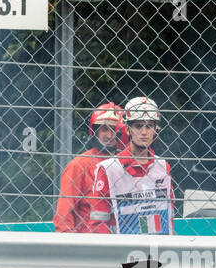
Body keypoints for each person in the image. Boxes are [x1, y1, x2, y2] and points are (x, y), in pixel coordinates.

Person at [87, 96, 174, 235]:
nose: (144, 132)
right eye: (138, 126)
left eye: (149, 126)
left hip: (159, 250)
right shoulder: (108, 169)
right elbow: (98, 223)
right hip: (120, 251)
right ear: (127, 129)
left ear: (156, 129)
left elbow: (169, 218)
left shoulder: (163, 167)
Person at [54, 102, 125, 233]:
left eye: (113, 129)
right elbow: (64, 216)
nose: (109, 135)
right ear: (95, 131)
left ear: (121, 133)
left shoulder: (126, 164)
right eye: (104, 129)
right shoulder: (79, 165)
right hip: (88, 243)